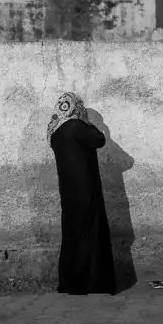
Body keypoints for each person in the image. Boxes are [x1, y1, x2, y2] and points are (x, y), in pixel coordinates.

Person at [47, 92, 117, 296]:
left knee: (72, 235)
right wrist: (94, 124)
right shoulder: (77, 127)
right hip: (86, 189)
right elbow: (99, 139)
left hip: (68, 193)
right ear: (75, 107)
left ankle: (70, 283)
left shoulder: (55, 131)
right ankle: (93, 283)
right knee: (91, 233)